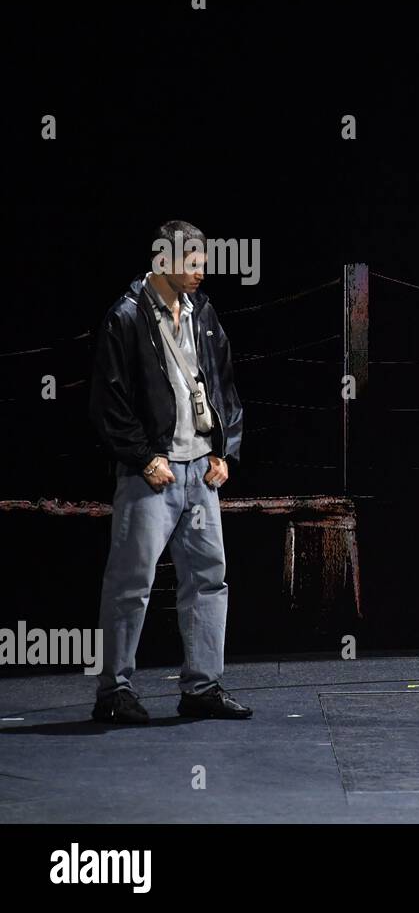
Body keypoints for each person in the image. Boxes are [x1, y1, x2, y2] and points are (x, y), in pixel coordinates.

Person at [88, 220, 251, 723]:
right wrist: (143, 457)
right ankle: (113, 692)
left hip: (200, 472)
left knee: (208, 579)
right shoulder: (128, 317)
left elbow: (223, 385)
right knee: (131, 582)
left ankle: (202, 686)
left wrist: (226, 450)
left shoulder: (202, 314)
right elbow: (108, 402)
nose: (201, 272)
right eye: (192, 262)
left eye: (203, 261)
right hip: (152, 475)